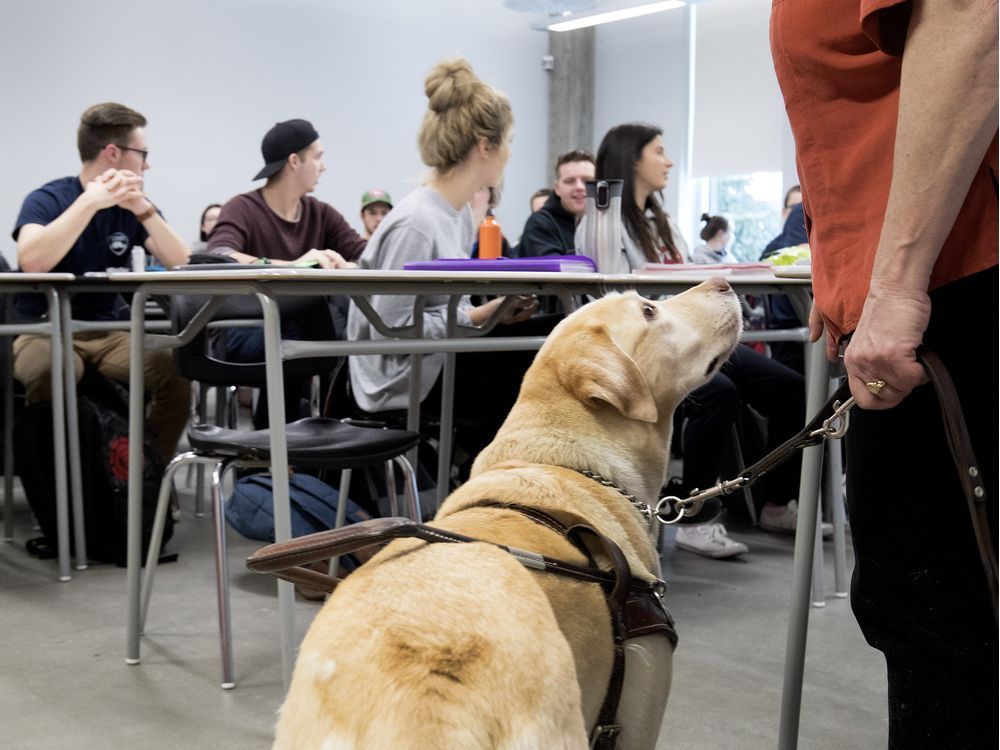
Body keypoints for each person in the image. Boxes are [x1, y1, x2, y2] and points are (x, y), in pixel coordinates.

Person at [772, 1, 998, 744]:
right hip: (933, 276)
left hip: (959, 280)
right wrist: (841, 266)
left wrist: (895, 284)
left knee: (939, 617)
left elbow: (973, 16)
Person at [578, 123, 813, 558]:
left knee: (788, 387)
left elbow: (685, 284)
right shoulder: (603, 226)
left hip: (690, 337)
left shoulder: (662, 224)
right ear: (633, 160)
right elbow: (611, 300)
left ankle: (774, 503)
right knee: (716, 392)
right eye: (660, 152)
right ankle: (695, 514)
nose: (668, 161)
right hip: (651, 351)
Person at [347, 58, 547, 473]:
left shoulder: (452, 214)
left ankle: (483, 478)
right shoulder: (419, 221)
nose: (510, 153)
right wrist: (480, 316)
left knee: (547, 340)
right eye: (507, 141)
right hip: (400, 381)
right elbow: (393, 328)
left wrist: (488, 313)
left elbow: (434, 312)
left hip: (431, 361)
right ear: (484, 146)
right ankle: (486, 483)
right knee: (542, 364)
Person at [12, 102, 190, 461]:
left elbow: (182, 262)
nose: (148, 164)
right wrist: (90, 202)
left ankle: (145, 476)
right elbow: (31, 260)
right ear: (113, 153)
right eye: (143, 154)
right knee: (52, 370)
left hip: (107, 333)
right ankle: (57, 488)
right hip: (44, 330)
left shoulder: (133, 207)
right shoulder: (49, 199)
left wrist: (144, 210)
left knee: (175, 368)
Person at [207, 118, 365, 426]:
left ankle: (317, 452)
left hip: (299, 332)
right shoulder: (242, 208)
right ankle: (281, 455)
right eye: (318, 156)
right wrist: (292, 267)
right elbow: (217, 255)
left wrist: (347, 265)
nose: (324, 166)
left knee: (332, 330)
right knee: (309, 334)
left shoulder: (321, 214)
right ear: (294, 161)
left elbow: (365, 255)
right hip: (242, 330)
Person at [514, 149, 595, 257]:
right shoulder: (539, 224)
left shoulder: (607, 222)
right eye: (570, 181)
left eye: (587, 180)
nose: (579, 187)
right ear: (557, 188)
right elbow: (555, 271)